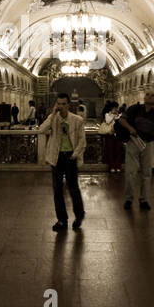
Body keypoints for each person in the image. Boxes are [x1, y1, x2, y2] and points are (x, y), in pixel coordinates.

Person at [39, 92, 85, 231]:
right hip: (56, 157)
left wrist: (75, 155)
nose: (61, 106)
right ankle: (61, 220)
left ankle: (79, 215)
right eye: (58, 104)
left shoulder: (77, 120)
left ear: (68, 105)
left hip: (70, 156)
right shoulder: (53, 118)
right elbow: (42, 130)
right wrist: (53, 114)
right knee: (57, 190)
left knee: (73, 188)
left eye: (63, 104)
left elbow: (82, 140)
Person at [117, 91, 154, 211]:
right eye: (148, 95)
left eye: (153, 95)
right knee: (130, 171)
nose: (150, 96)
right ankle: (129, 199)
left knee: (146, 172)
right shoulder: (135, 108)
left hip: (148, 143)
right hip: (133, 141)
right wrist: (130, 128)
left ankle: (144, 199)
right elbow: (121, 120)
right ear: (144, 98)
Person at [101, 101, 124, 173]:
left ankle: (118, 166)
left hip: (118, 135)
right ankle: (112, 166)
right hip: (110, 135)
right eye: (114, 108)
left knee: (118, 151)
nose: (115, 109)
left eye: (116, 108)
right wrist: (113, 115)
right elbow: (108, 121)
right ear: (111, 108)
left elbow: (121, 122)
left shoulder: (119, 115)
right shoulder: (107, 114)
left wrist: (117, 115)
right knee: (110, 151)